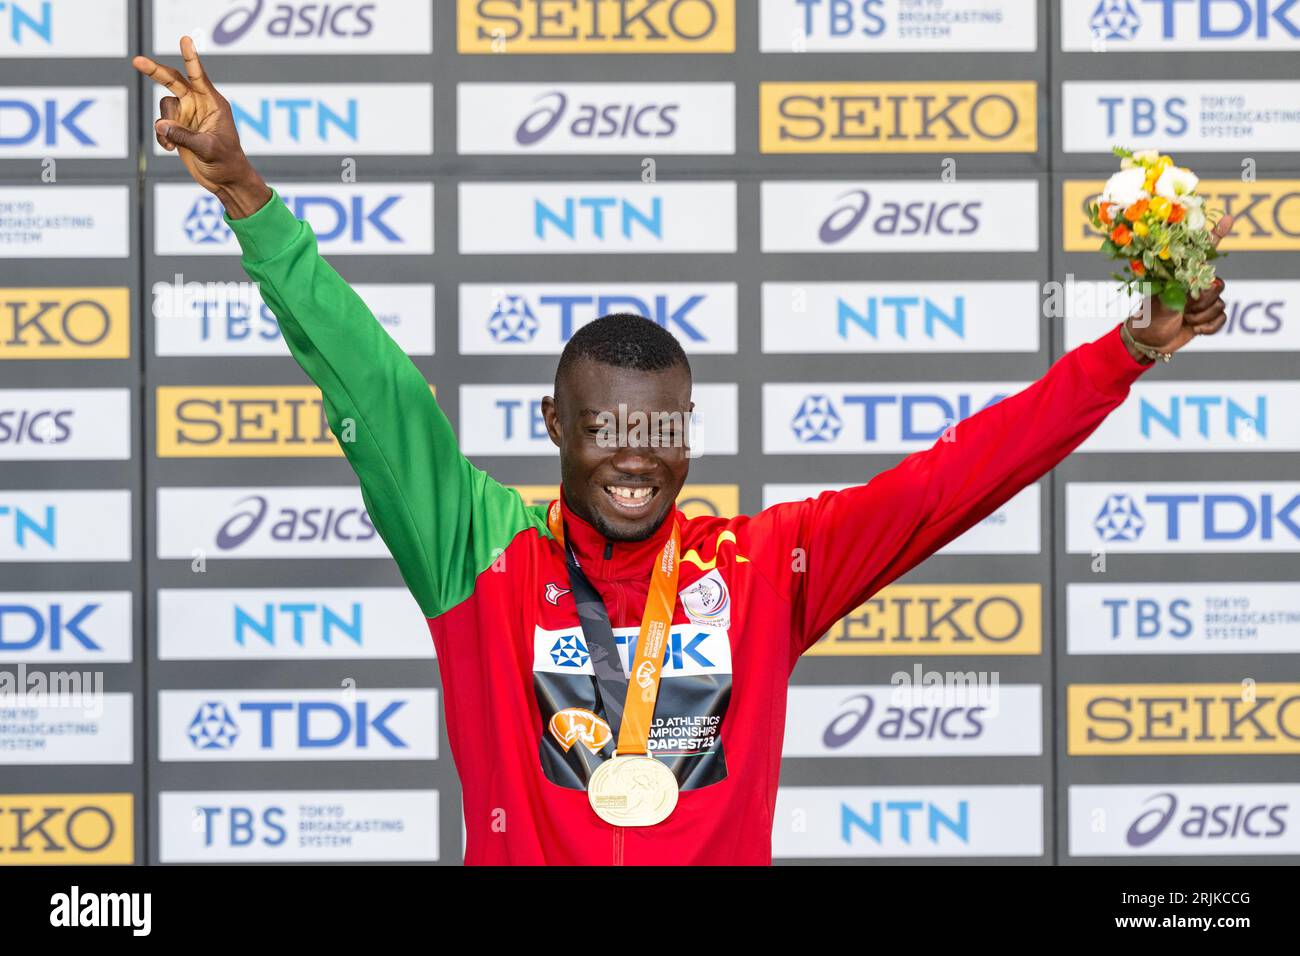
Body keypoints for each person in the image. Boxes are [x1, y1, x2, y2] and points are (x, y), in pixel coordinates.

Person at [134, 38, 1234, 865]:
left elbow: (954, 478)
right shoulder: (475, 545)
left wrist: (1129, 346)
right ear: (555, 425)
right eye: (607, 424)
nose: (637, 456)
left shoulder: (767, 566)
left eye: (662, 426)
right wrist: (245, 194)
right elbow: (371, 382)